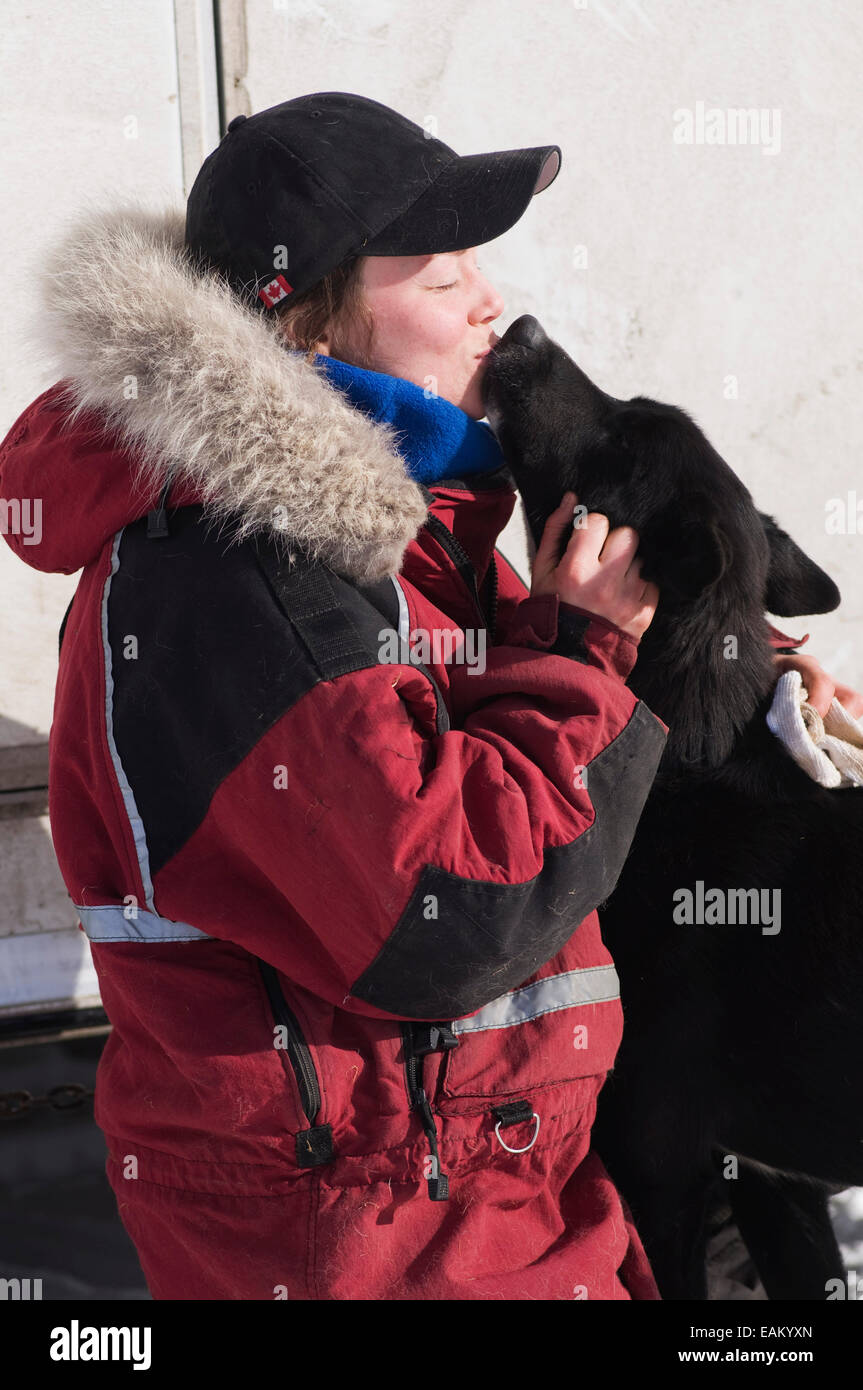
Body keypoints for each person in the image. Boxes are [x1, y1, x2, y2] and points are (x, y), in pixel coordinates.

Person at [1, 92, 858, 1301]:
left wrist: (730, 660)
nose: (487, 301)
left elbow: (482, 674)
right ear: (298, 321)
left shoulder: (386, 529)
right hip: (363, 1226)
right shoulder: (238, 570)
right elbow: (450, 908)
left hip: (473, 1184)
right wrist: (579, 655)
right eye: (440, 274)